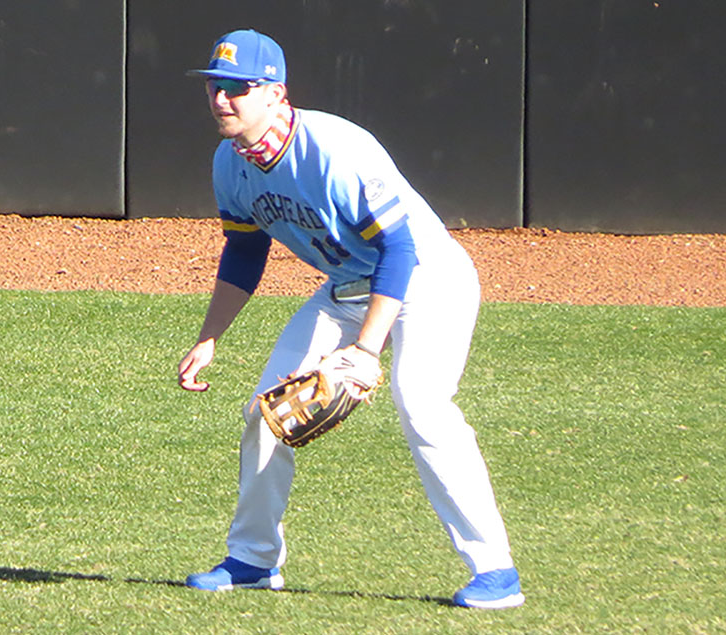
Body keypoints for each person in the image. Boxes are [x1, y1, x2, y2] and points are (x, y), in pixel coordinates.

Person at [176, 29, 524, 609]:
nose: (219, 99)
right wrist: (210, 337)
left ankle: (496, 573)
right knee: (267, 411)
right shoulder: (230, 162)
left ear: (275, 94)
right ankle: (252, 562)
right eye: (214, 86)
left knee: (423, 407)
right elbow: (244, 249)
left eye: (236, 88)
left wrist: (365, 351)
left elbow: (401, 251)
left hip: (426, 279)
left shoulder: (335, 150)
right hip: (347, 288)